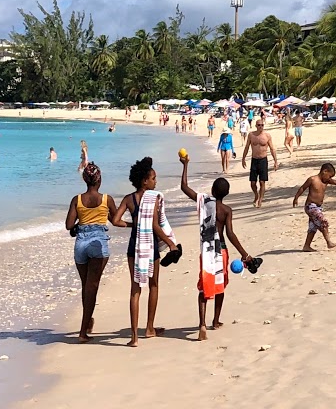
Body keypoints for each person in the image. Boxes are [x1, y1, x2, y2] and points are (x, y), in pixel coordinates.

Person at [178, 152, 261, 339]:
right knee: (220, 286)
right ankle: (215, 321)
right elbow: (230, 234)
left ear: (213, 191)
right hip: (221, 251)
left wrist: (185, 165)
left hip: (207, 252)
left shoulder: (205, 202)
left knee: (204, 287)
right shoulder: (226, 210)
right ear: (227, 193)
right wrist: (245, 254)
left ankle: (202, 325)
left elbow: (184, 187)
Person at [109, 156, 181, 346]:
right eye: (153, 178)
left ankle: (133, 337)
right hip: (150, 246)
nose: (156, 182)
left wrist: (134, 224)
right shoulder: (154, 198)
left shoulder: (129, 199)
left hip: (134, 245)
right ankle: (149, 328)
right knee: (154, 284)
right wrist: (171, 243)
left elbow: (115, 220)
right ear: (145, 181)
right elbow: (155, 226)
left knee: (135, 289)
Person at [64, 162, 112, 342]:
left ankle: (88, 321)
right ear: (99, 179)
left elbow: (69, 225)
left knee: (86, 286)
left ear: (85, 180)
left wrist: (82, 225)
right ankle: (83, 332)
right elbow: (115, 219)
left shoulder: (77, 199)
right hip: (98, 243)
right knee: (92, 287)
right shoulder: (106, 199)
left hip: (81, 244)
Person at [292, 163, 336, 252]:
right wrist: (296, 198)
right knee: (323, 221)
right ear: (324, 171)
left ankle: (306, 246)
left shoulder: (326, 181)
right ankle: (329, 242)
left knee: (313, 227)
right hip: (310, 206)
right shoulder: (313, 179)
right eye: (329, 176)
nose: (330, 179)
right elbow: (303, 188)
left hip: (318, 207)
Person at [240, 117, 279, 207]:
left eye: (262, 125)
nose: (261, 127)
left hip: (263, 160)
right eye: (259, 125)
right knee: (253, 183)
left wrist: (275, 161)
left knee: (262, 182)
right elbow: (247, 147)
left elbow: (272, 148)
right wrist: (243, 158)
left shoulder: (267, 136)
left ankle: (260, 200)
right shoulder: (251, 135)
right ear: (256, 126)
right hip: (254, 160)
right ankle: (256, 195)